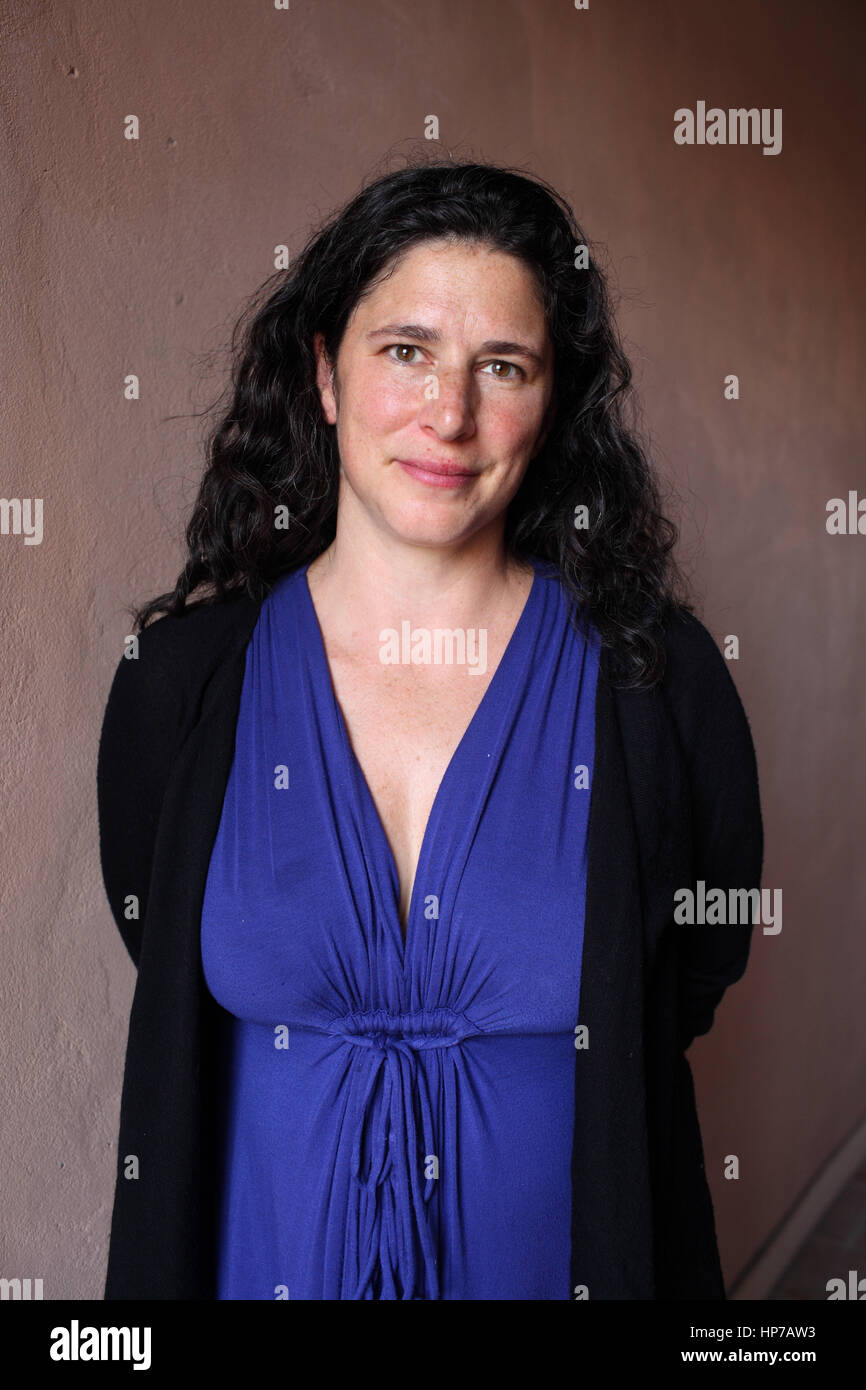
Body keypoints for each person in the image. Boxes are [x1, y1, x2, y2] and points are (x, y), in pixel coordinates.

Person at [97, 159, 763, 1300]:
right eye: (403, 350)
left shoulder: (655, 681)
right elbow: (154, 936)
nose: (447, 414)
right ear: (323, 373)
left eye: (499, 366)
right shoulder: (181, 685)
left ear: (550, 402)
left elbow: (692, 964)